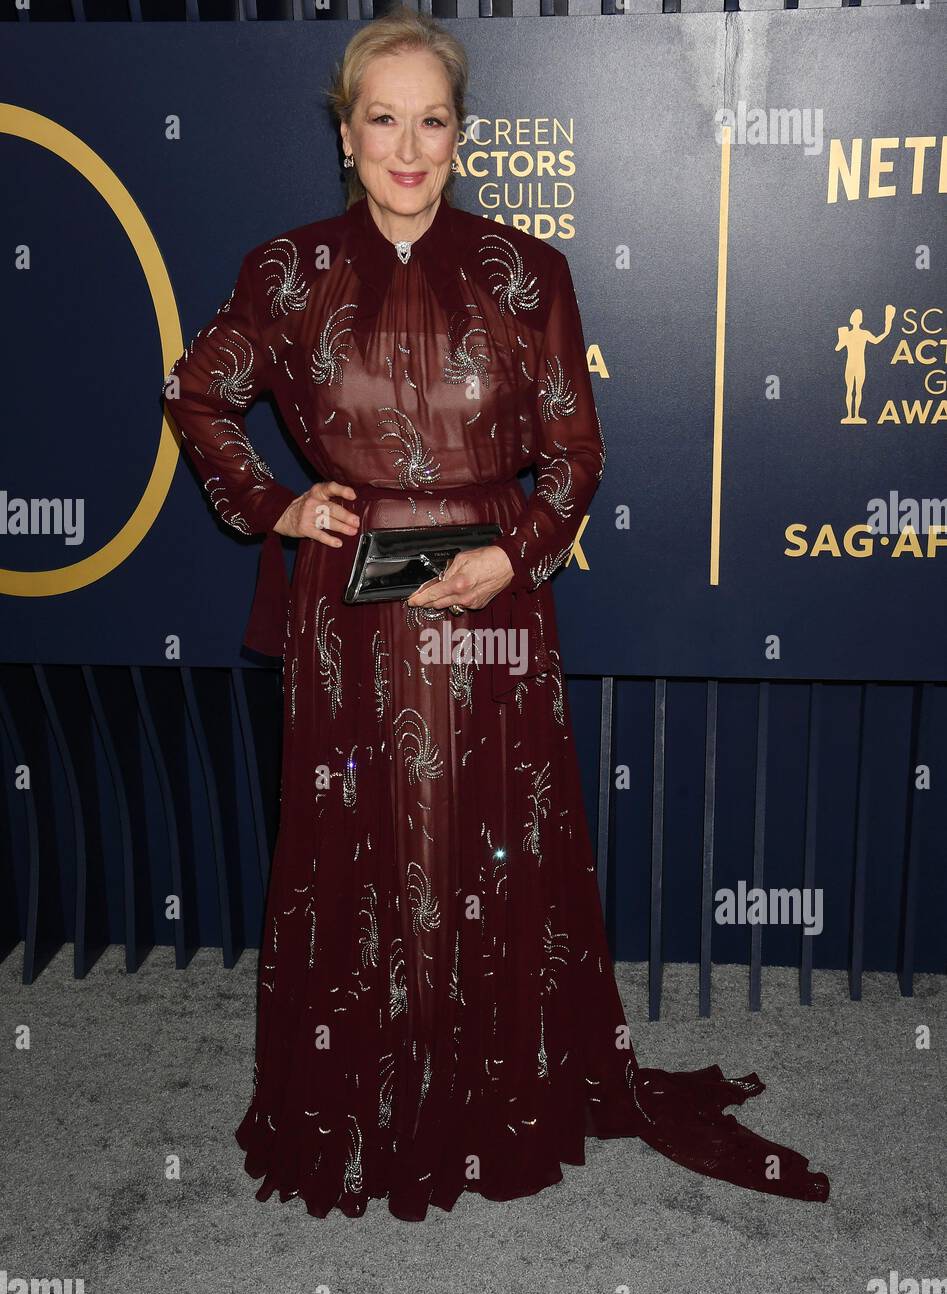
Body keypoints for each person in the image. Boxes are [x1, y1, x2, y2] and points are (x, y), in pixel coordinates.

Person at [162, 5, 829, 1220]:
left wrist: (513, 553)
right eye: (382, 120)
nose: (407, 147)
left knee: (484, 844)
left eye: (431, 121)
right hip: (347, 615)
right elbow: (196, 394)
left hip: (490, 607)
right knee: (361, 849)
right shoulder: (285, 269)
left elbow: (577, 453)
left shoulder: (532, 274)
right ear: (345, 136)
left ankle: (487, 1089)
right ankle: (366, 1093)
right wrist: (273, 504)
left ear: (460, 134)